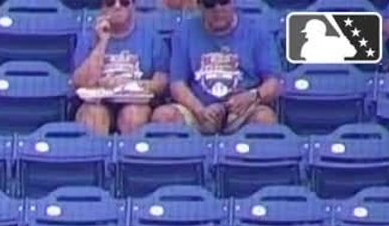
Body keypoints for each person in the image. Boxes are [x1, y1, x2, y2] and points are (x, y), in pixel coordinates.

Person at [151, 0, 280, 134]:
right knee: (163, 116)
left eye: (223, 2)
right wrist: (199, 109)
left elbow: (273, 82)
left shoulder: (257, 31)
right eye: (210, 4)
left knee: (264, 118)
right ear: (199, 6)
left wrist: (253, 96)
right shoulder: (185, 31)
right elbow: (177, 84)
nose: (218, 9)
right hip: (199, 107)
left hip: (243, 107)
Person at [70, 0, 169, 135]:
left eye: (124, 2)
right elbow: (81, 82)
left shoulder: (152, 38)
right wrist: (102, 41)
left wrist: (131, 85)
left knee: (133, 115)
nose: (117, 6)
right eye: (110, 3)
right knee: (93, 116)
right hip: (97, 102)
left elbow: (161, 82)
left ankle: (131, 155)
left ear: (133, 6)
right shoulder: (88, 38)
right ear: (103, 9)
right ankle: (97, 155)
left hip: (136, 103)